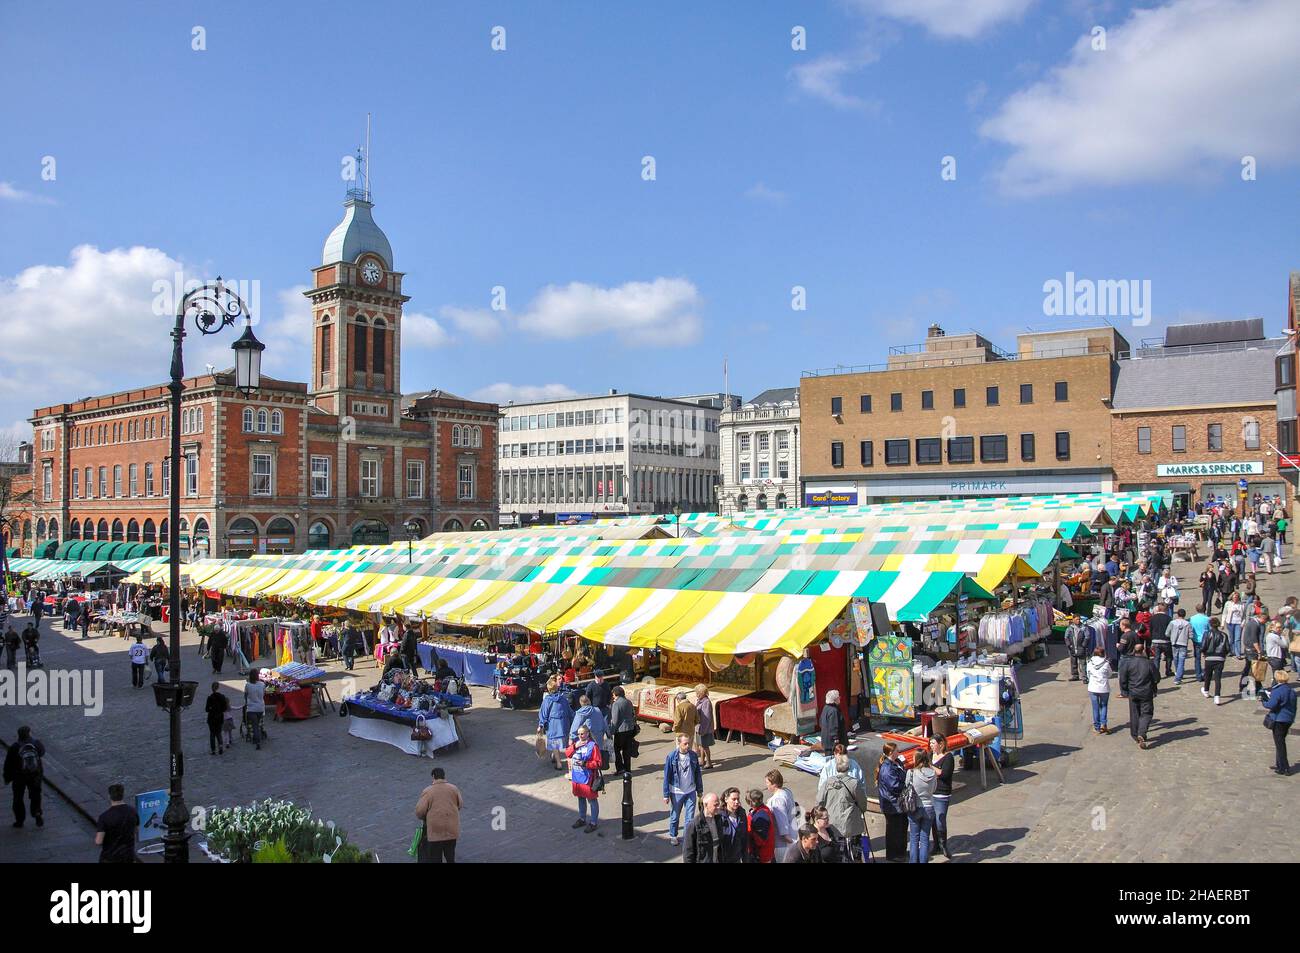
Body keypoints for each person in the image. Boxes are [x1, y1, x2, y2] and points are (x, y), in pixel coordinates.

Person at [817, 752, 867, 860]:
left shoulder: (827, 783)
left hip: (833, 825)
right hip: (851, 826)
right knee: (853, 855)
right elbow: (863, 804)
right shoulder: (854, 783)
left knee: (838, 856)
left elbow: (819, 801)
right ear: (848, 767)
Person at [414, 766, 463, 862]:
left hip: (435, 831)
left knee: (435, 857)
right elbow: (460, 804)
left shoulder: (428, 791)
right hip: (451, 829)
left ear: (433, 777)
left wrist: (426, 817)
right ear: (444, 776)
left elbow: (420, 811)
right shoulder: (454, 788)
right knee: (450, 856)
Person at [662, 733, 701, 847]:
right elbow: (667, 776)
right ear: (679, 744)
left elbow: (697, 773)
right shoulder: (671, 757)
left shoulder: (693, 755)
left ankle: (687, 838)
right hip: (676, 791)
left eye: (688, 743)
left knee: (690, 817)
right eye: (685, 744)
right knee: (675, 815)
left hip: (690, 790)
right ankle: (673, 835)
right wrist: (666, 794)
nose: (687, 746)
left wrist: (699, 790)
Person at [1118, 643, 1160, 749]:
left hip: (1133, 691)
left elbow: (1122, 678)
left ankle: (1135, 734)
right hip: (1146, 692)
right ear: (1143, 651)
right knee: (1146, 713)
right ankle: (1141, 732)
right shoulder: (1148, 663)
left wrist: (1124, 691)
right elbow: (1157, 678)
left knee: (1134, 713)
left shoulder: (1128, 663)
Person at [565, 724, 603, 833]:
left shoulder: (593, 746)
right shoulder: (576, 743)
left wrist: (585, 763)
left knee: (592, 800)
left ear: (587, 733)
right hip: (577, 778)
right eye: (578, 734)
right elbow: (567, 753)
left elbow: (599, 763)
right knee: (580, 798)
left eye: (582, 734)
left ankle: (593, 822)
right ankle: (582, 818)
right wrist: (575, 746)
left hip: (588, 778)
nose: (580, 736)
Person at [4, 725, 44, 828]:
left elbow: (8, 764)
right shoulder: (36, 743)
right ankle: (37, 813)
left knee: (18, 798)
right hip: (35, 775)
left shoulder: (14, 747)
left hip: (19, 777)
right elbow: (42, 752)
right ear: (29, 733)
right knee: (35, 796)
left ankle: (19, 820)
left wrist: (7, 777)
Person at [876, 741, 907, 862]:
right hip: (892, 804)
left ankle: (901, 851)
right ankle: (893, 854)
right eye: (896, 750)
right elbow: (894, 786)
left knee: (901, 828)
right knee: (894, 830)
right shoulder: (887, 767)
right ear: (890, 752)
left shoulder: (897, 762)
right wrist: (907, 785)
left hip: (899, 803)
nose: (898, 752)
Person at [905, 749, 938, 864]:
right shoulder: (933, 773)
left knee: (914, 838)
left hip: (915, 807)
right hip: (929, 807)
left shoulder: (911, 772)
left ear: (917, 759)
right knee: (925, 839)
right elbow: (934, 789)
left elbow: (907, 787)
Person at [1262, 671, 1297, 776]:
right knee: (1280, 742)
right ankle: (1279, 764)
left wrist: (1264, 701)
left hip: (1279, 720)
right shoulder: (1291, 690)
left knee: (1280, 744)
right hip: (1288, 719)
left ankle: (1284, 767)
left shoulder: (1278, 691)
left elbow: (1271, 705)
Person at [538, 676, 574, 771]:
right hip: (564, 725)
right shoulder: (563, 699)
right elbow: (570, 712)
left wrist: (541, 725)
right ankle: (569, 762)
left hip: (553, 726)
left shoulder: (547, 700)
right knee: (566, 745)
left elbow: (543, 714)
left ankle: (559, 763)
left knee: (554, 744)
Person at [95, 783, 138, 863]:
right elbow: (136, 830)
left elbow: (98, 841)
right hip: (128, 856)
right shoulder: (132, 811)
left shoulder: (104, 817)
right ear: (123, 794)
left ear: (109, 796)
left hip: (110, 857)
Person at [930, 735, 955, 860]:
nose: (931, 745)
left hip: (941, 793)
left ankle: (943, 845)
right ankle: (936, 845)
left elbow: (944, 774)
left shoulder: (948, 757)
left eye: (933, 743)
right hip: (931, 792)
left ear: (941, 744)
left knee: (940, 819)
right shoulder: (930, 756)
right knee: (933, 820)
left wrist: (931, 767)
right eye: (930, 743)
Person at [569, 693, 610, 767]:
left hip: (589, 737)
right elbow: (604, 723)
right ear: (589, 701)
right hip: (599, 735)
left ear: (581, 703)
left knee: (588, 756)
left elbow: (575, 726)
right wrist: (607, 733)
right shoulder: (597, 710)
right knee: (597, 756)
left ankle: (590, 773)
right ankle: (597, 772)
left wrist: (572, 737)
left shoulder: (580, 712)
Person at [765, 768, 799, 854]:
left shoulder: (777, 800)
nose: (766, 786)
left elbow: (781, 819)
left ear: (774, 784)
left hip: (783, 842)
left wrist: (786, 837)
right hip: (793, 831)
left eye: (767, 783)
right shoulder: (786, 791)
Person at [1200, 616, 1231, 706]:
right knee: (1218, 678)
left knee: (1208, 675)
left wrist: (1203, 652)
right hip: (1220, 658)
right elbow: (1228, 648)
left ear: (1210, 625)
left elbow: (1203, 646)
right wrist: (1224, 655)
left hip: (1209, 658)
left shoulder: (1207, 634)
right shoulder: (1224, 635)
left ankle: (1206, 690)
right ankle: (1217, 696)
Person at [683, 791, 722, 862]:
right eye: (715, 805)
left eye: (719, 804)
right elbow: (688, 853)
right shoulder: (694, 825)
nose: (718, 807)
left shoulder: (719, 820)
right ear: (706, 805)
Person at [608, 686, 637, 773]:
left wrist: (611, 731)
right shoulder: (628, 702)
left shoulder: (616, 704)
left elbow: (615, 720)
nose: (613, 696)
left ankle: (620, 768)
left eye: (613, 694)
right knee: (627, 750)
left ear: (616, 694)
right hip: (630, 729)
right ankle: (627, 769)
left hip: (620, 731)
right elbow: (632, 714)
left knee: (617, 750)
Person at [745, 788, 777, 863]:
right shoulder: (764, 809)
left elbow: (760, 841)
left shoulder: (760, 817)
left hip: (762, 856)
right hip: (767, 853)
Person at [718, 788, 748, 863]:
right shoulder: (719, 816)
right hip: (723, 858)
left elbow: (745, 837)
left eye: (738, 799)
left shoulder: (742, 813)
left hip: (736, 857)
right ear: (726, 799)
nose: (737, 802)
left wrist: (745, 858)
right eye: (733, 799)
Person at [1087, 646, 1113, 734]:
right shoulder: (1106, 663)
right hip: (1104, 688)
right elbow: (1110, 674)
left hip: (1093, 688)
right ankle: (1104, 724)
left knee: (1095, 708)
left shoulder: (1090, 663)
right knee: (1104, 706)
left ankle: (1097, 727)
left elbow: (1088, 675)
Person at [1168, 608, 1193, 685]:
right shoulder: (1188, 624)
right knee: (1181, 660)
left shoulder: (1172, 623)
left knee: (1176, 659)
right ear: (1184, 615)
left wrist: (1171, 636)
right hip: (1183, 643)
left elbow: (1167, 633)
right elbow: (1191, 635)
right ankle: (1178, 676)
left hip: (1174, 643)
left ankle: (1178, 674)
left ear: (1177, 614)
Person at [694, 684, 716, 768]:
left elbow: (707, 718)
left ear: (702, 693)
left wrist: (703, 730)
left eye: (698, 693)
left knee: (705, 746)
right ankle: (702, 760)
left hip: (704, 728)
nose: (696, 695)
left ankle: (709, 762)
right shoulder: (701, 700)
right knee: (701, 745)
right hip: (699, 727)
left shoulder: (706, 702)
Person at [1148, 602, 1173, 678]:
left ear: (1158, 609)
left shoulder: (1153, 618)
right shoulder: (1169, 618)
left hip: (1155, 640)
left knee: (1156, 658)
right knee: (1169, 656)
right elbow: (1171, 630)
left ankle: (1156, 674)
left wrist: (1152, 639)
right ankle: (1168, 670)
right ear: (1166, 610)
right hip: (1166, 640)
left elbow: (1150, 629)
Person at [819, 689, 847, 753]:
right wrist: (836, 739)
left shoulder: (826, 708)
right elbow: (833, 726)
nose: (840, 698)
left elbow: (821, 722)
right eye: (838, 697)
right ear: (835, 699)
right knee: (834, 760)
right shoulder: (833, 710)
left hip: (826, 741)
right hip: (832, 744)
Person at [1065, 616, 1093, 682]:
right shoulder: (1070, 628)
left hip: (1081, 648)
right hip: (1072, 648)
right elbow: (1066, 637)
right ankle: (1075, 676)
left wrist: (1083, 645)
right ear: (1073, 620)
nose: (1078, 620)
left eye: (1079, 619)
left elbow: (1087, 636)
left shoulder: (1084, 627)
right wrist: (1069, 645)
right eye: (1077, 619)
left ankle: (1084, 677)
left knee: (1083, 663)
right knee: (1073, 663)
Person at [205, 682, 229, 755]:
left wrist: (211, 709)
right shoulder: (222, 697)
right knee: (218, 733)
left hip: (211, 718)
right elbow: (225, 708)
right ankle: (220, 747)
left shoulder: (210, 697)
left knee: (212, 734)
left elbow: (206, 709)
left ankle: (213, 750)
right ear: (219, 687)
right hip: (219, 717)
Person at [244, 668, 266, 750]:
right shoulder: (262, 684)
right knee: (257, 724)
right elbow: (263, 694)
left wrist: (246, 703)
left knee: (255, 725)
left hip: (251, 709)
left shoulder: (248, 685)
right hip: (260, 708)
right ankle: (257, 738)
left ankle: (257, 741)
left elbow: (245, 696)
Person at [1189, 605, 1211, 681]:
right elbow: (1210, 629)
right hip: (1205, 640)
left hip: (1196, 640)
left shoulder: (1192, 618)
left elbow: (1191, 628)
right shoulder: (1207, 619)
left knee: (1197, 658)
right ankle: (1205, 674)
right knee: (1207, 658)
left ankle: (1198, 675)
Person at [1265, 620, 1288, 686]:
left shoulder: (1269, 635)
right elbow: (1284, 645)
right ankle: (1274, 690)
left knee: (1278, 675)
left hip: (1272, 658)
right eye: (1277, 627)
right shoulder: (1275, 636)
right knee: (1277, 676)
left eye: (1280, 627)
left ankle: (1278, 689)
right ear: (1272, 627)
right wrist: (1282, 636)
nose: (1279, 629)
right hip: (1275, 658)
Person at [1222, 592, 1245, 658]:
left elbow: (1244, 616)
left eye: (1237, 597)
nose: (1235, 598)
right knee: (1231, 638)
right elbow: (1224, 613)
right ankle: (1231, 651)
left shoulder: (1242, 605)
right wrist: (1222, 623)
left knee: (1237, 638)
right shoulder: (1228, 604)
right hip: (1230, 623)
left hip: (1238, 623)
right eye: (1234, 597)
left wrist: (1243, 623)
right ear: (1232, 597)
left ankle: (1238, 653)